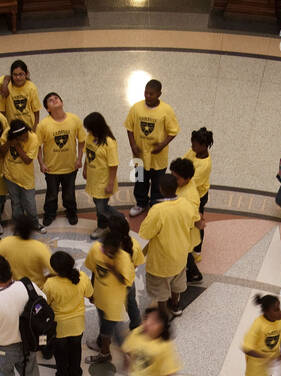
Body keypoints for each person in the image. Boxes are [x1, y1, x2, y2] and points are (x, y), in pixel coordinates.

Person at [138, 174, 198, 316]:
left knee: (161, 290)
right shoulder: (186, 204)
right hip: (181, 255)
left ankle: (163, 313)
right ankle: (176, 305)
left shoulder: (158, 210)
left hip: (162, 260)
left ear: (161, 189)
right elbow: (192, 222)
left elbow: (146, 233)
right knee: (177, 284)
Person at [125, 79, 179, 216]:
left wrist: (162, 145)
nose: (147, 96)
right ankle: (140, 203)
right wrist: (133, 145)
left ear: (159, 94)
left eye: (151, 94)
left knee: (157, 183)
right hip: (139, 156)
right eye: (146, 93)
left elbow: (173, 131)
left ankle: (155, 205)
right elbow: (129, 128)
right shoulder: (136, 108)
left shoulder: (166, 110)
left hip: (157, 157)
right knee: (140, 181)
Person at [84, 231, 134, 366]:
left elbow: (126, 282)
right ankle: (105, 344)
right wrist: (92, 291)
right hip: (100, 297)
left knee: (109, 330)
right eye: (106, 250)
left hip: (114, 303)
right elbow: (93, 270)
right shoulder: (95, 249)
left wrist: (114, 269)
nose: (108, 254)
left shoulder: (124, 258)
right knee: (107, 326)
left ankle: (105, 353)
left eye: (113, 252)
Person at [43, 250, 92, 376]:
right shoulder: (81, 277)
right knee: (76, 351)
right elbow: (90, 294)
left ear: (55, 269)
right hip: (77, 325)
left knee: (60, 355)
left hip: (59, 327)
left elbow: (45, 303)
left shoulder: (50, 283)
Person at [36, 92, 85, 226]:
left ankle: (71, 211)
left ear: (62, 102)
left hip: (70, 167)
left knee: (69, 194)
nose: (54, 100)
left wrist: (79, 159)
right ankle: (50, 213)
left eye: (56, 98)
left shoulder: (74, 120)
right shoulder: (43, 125)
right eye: (50, 100)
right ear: (48, 109)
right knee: (51, 194)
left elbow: (81, 141)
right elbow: (37, 146)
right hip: (51, 169)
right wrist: (41, 163)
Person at [121, 305, 180, 376]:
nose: (148, 324)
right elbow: (128, 349)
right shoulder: (137, 334)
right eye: (146, 318)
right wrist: (127, 362)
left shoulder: (164, 346)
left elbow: (169, 371)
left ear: (163, 327)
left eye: (155, 322)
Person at [181, 127, 213, 282]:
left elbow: (190, 182)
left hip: (198, 196)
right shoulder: (194, 152)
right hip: (189, 193)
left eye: (194, 144)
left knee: (198, 221)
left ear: (203, 145)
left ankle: (197, 251)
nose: (192, 147)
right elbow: (184, 163)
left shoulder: (205, 165)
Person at [169, 157, 206, 285]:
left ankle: (194, 274)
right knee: (186, 253)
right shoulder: (184, 185)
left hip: (185, 233)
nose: (173, 180)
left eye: (177, 178)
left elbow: (191, 218)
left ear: (187, 179)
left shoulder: (189, 196)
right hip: (184, 233)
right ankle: (193, 273)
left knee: (184, 253)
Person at [82, 112, 119, 237]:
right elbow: (88, 154)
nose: (88, 131)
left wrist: (110, 184)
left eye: (89, 128)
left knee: (102, 207)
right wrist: (85, 168)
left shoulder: (109, 143)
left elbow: (113, 166)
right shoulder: (90, 137)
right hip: (93, 179)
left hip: (104, 181)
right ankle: (105, 224)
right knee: (98, 204)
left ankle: (116, 221)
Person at [2, 119, 41, 229]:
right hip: (10, 175)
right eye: (22, 137)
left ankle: (35, 223)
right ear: (15, 136)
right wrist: (9, 143)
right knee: (16, 203)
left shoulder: (33, 138)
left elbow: (27, 160)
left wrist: (17, 146)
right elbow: (1, 152)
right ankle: (19, 226)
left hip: (26, 179)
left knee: (30, 204)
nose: (26, 138)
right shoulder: (7, 133)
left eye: (26, 134)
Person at [0, 215, 52, 284]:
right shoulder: (40, 247)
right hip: (36, 289)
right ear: (32, 230)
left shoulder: (3, 243)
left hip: (13, 287)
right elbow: (54, 271)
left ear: (14, 228)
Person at [0, 59, 41, 130]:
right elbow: (2, 110)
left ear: (26, 73)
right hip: (12, 128)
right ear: (11, 75)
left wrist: (35, 126)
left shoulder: (32, 87)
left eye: (21, 74)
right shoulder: (6, 88)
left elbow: (36, 110)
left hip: (29, 127)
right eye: (15, 74)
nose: (18, 77)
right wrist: (5, 127)